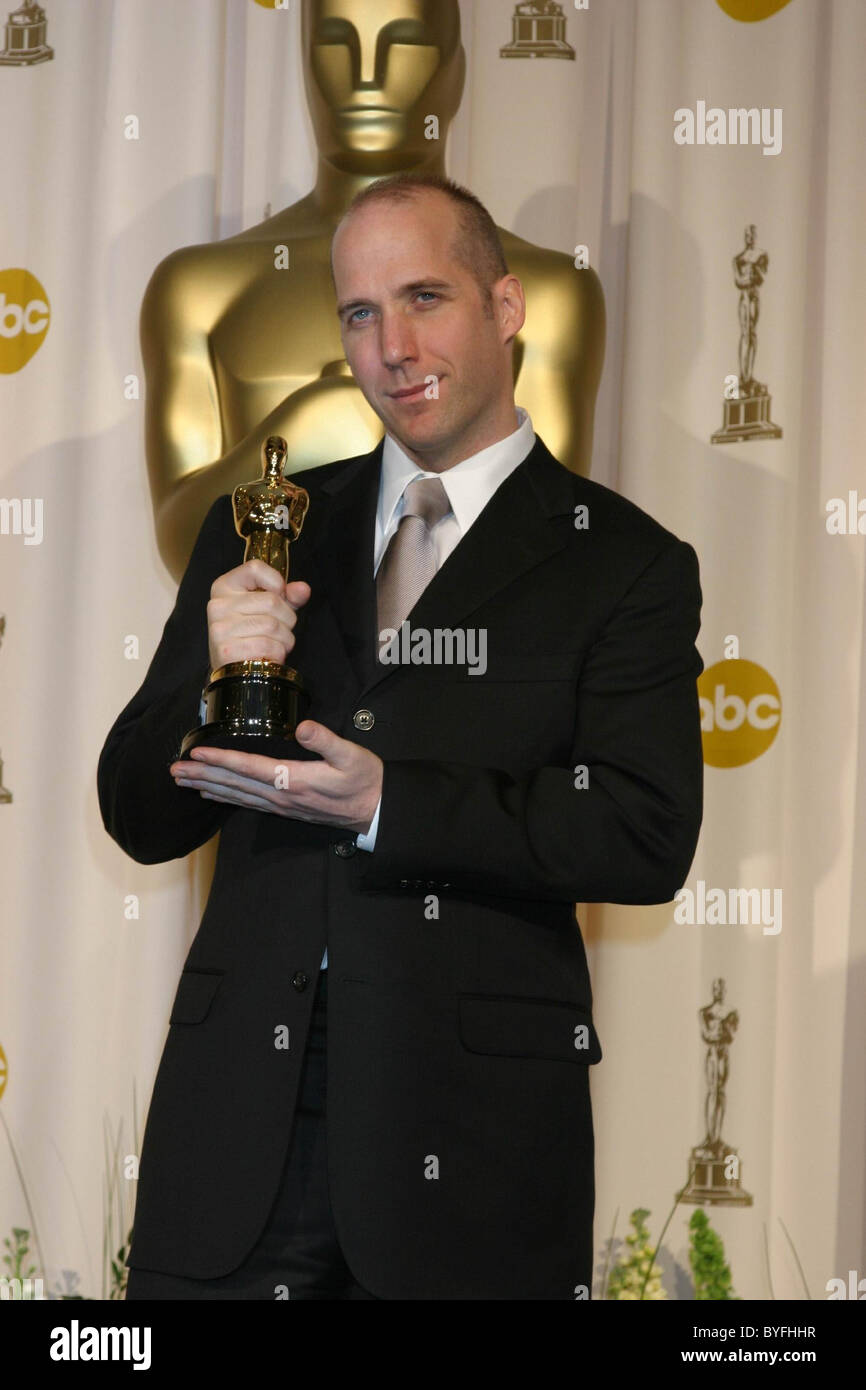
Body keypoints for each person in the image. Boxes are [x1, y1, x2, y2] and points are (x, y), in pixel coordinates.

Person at [98, 173, 704, 1300]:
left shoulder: (620, 563)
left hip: (466, 1148)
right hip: (238, 1131)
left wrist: (387, 805)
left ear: (507, 306)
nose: (391, 344)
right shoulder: (265, 528)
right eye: (360, 312)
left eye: (424, 296)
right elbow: (134, 811)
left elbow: (642, 829)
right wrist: (212, 687)